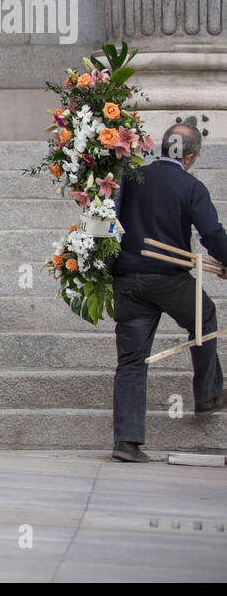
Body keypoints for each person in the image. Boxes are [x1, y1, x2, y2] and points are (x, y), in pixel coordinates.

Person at [109, 118, 227, 462]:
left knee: (131, 360)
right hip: (169, 278)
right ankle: (207, 393)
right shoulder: (190, 186)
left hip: (128, 278)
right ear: (190, 157)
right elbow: (213, 235)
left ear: (163, 148)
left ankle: (126, 443)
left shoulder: (131, 177)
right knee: (204, 318)